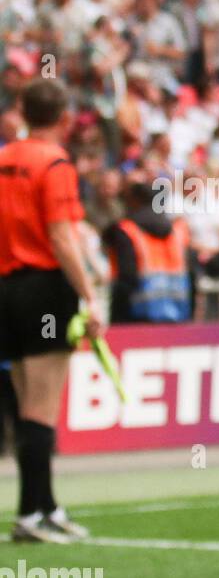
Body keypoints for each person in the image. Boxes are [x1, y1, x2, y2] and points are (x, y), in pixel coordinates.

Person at [0, 80, 104, 543]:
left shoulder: (4, 157)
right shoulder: (55, 163)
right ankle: (30, 515)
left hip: (6, 288)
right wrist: (90, 296)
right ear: (64, 119)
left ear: (22, 112)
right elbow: (62, 236)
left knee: (27, 406)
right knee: (40, 410)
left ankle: (46, 506)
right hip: (44, 288)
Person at [103, 176, 196, 324]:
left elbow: (126, 279)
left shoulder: (127, 230)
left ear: (134, 200)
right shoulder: (177, 232)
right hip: (178, 316)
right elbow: (192, 275)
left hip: (134, 320)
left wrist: (115, 320)